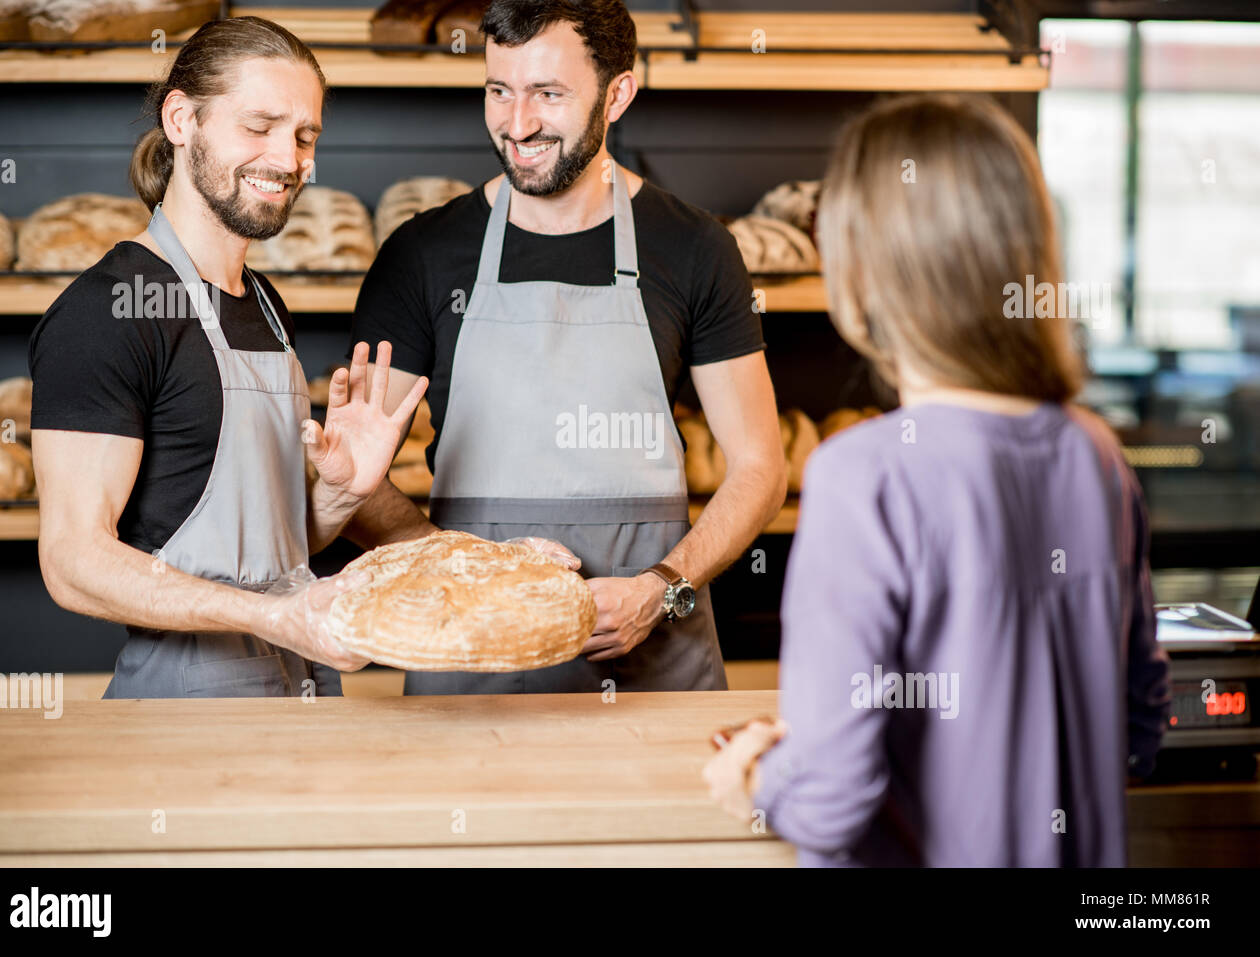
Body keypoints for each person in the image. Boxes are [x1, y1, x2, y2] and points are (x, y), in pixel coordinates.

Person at [703, 93, 1172, 866]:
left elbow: (830, 797)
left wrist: (755, 774)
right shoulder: (1097, 454)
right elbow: (1138, 726)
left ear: (864, 273)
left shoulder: (864, 474)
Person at [344, 0, 786, 694]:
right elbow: (352, 479)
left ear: (618, 94)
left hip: (649, 657)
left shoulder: (695, 247)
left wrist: (662, 587)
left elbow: (761, 468)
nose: (517, 126)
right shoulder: (423, 254)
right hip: (472, 654)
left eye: (547, 94)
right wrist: (465, 570)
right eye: (499, 92)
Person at [29, 17, 427, 698]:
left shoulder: (266, 305)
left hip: (296, 688)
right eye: (259, 126)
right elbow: (72, 559)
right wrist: (276, 617)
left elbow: (270, 546)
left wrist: (338, 494)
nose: (288, 158)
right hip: (184, 708)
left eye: (305, 136)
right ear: (182, 120)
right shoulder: (110, 310)